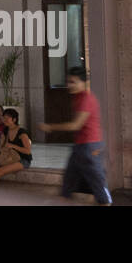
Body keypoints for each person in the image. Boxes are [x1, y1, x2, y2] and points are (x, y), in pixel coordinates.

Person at [40, 66, 112, 205]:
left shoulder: (87, 99)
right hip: (80, 146)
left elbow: (75, 125)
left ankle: (105, 202)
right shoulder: (77, 98)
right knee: (68, 181)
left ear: (83, 82)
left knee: (98, 183)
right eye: (68, 81)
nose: (69, 85)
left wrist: (50, 127)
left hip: (90, 147)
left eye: (73, 82)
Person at [0, 108, 32, 181]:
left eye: (7, 118)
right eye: (4, 118)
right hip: (8, 157)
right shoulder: (5, 131)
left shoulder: (22, 133)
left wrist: (13, 146)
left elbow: (28, 151)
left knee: (0, 170)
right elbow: (1, 147)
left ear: (14, 120)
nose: (4, 120)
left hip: (23, 159)